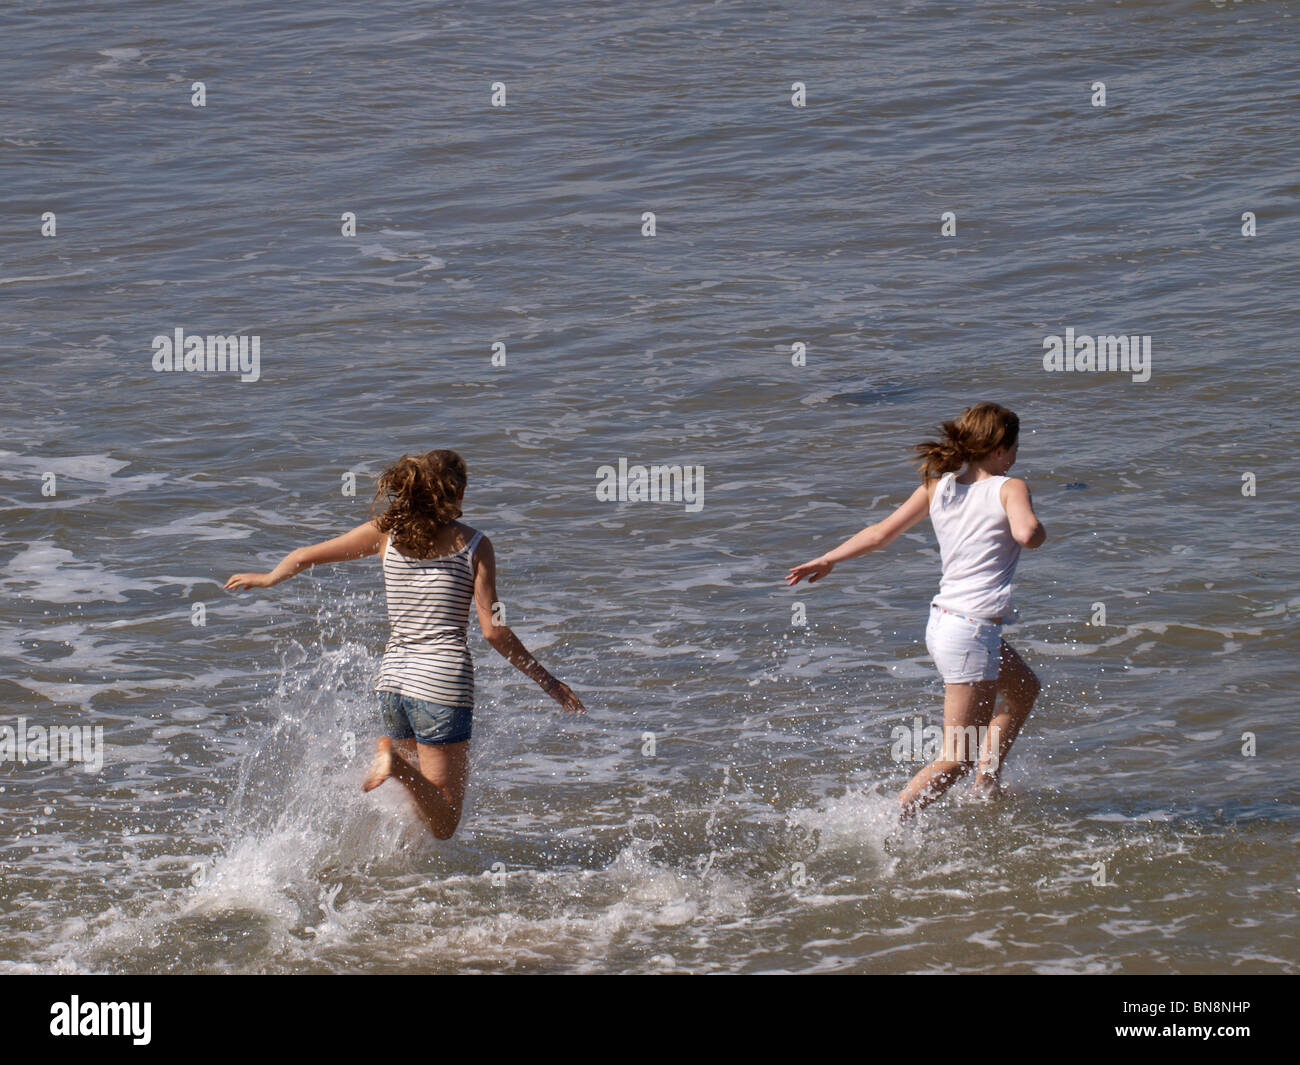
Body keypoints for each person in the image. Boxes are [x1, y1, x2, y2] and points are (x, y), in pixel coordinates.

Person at [225, 448, 585, 840]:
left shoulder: (385, 533)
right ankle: (394, 764)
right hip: (441, 684)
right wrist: (547, 681)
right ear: (458, 494)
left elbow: (305, 556)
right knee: (444, 824)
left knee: (420, 810)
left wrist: (265, 578)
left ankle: (407, 883)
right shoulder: (475, 545)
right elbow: (493, 631)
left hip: (393, 683)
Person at [786, 402, 1045, 817]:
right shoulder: (1010, 487)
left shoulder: (937, 487)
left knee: (1024, 689)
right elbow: (1028, 533)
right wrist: (1038, 532)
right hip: (971, 633)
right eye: (1014, 448)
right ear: (999, 449)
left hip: (945, 623)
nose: (1016, 457)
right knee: (955, 757)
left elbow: (880, 533)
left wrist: (829, 558)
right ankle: (893, 823)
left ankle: (986, 784)